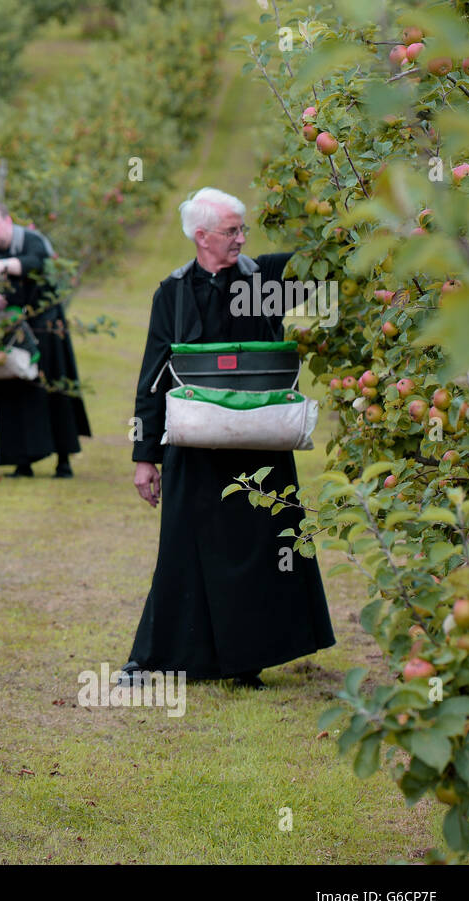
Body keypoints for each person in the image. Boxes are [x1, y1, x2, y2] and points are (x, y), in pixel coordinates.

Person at [121, 187, 334, 688]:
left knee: (261, 547)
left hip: (257, 443)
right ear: (201, 236)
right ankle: (154, 658)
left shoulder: (270, 280)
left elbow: (329, 260)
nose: (242, 238)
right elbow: (153, 375)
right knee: (180, 548)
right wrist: (144, 457)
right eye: (232, 230)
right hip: (193, 446)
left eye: (243, 229)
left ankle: (247, 662)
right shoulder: (171, 293)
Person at [0, 202, 90, 478]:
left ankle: (64, 461)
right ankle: (21, 462)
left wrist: (0, 266)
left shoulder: (32, 241)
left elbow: (35, 263)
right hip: (9, 330)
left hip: (46, 325)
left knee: (52, 387)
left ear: (8, 221)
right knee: (12, 392)